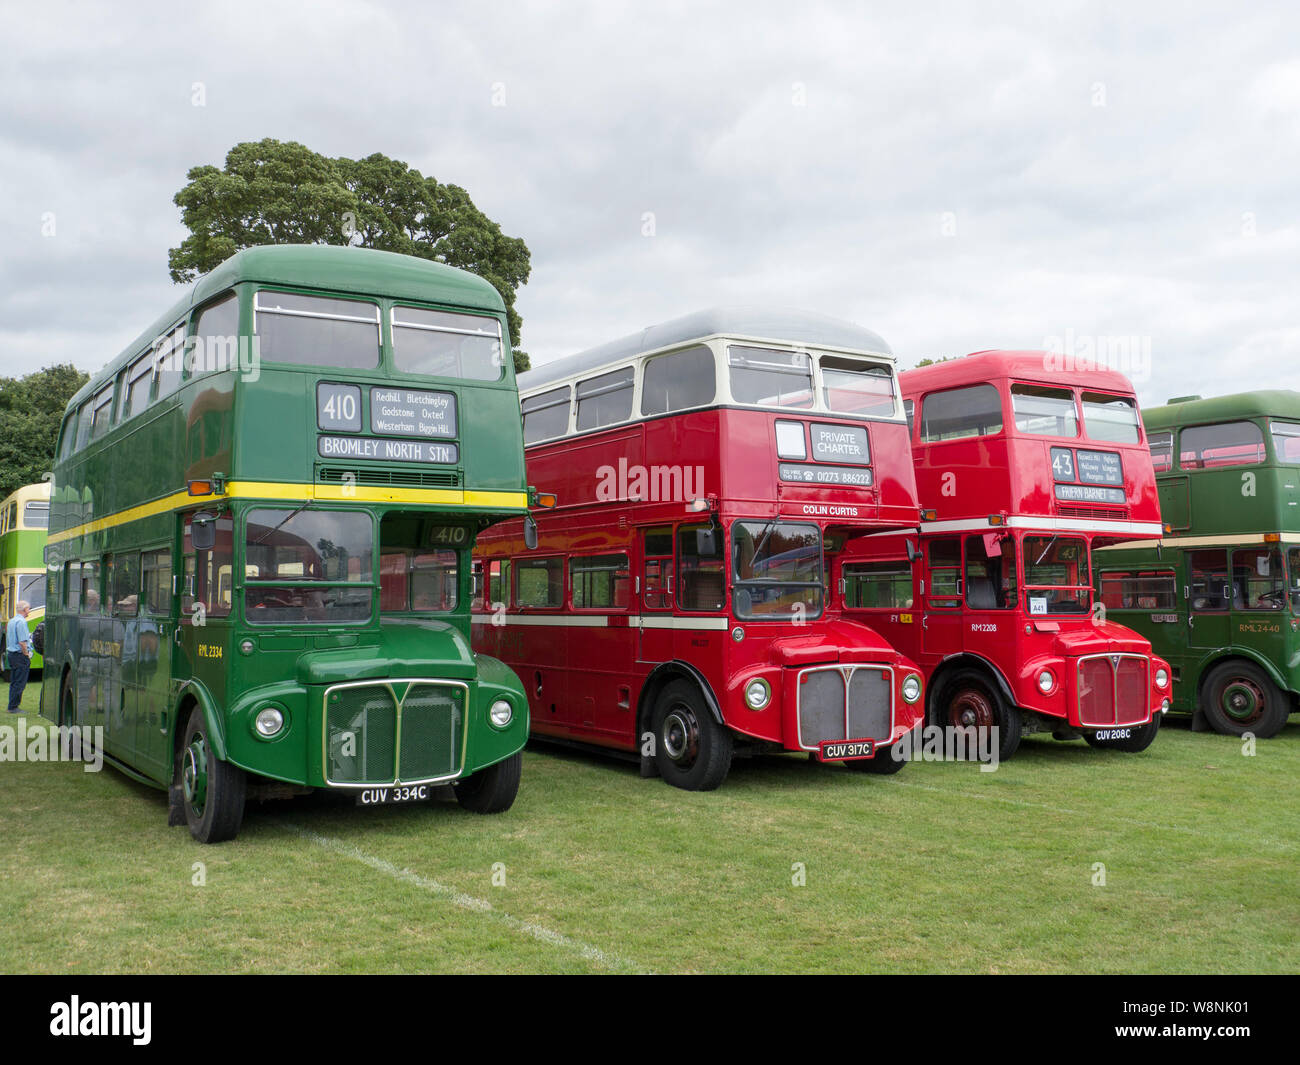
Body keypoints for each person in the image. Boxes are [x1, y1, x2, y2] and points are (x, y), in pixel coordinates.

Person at [6, 600, 32, 713]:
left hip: (11, 654)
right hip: (19, 655)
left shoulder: (11, 621)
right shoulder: (21, 622)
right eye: (29, 609)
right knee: (20, 682)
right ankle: (13, 707)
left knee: (14, 681)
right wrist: (26, 654)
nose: (29, 611)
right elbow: (22, 642)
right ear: (25, 609)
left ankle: (11, 705)